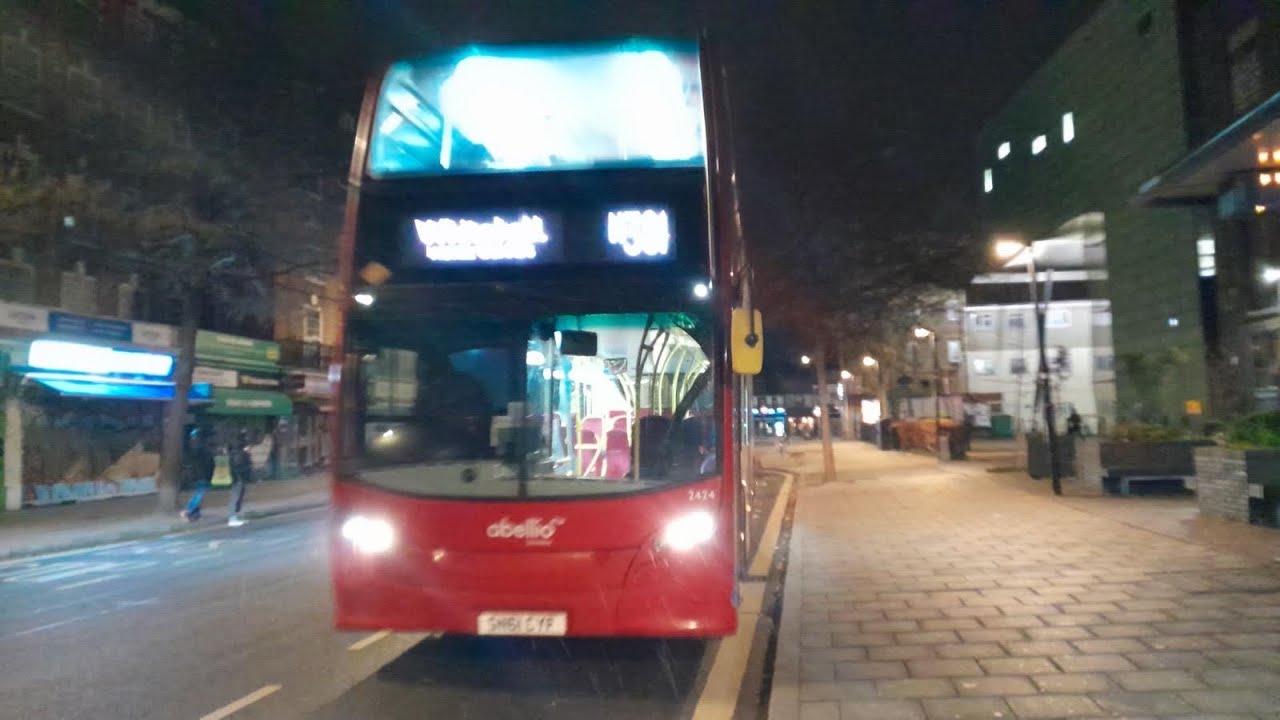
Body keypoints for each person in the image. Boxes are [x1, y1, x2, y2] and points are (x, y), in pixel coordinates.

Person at [180, 428, 216, 522]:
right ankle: (188, 510)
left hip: (198, 475)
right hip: (201, 475)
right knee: (199, 494)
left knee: (199, 494)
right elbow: (209, 464)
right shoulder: (203, 450)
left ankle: (195, 514)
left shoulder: (193, 450)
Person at [226, 429, 253, 527]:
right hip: (238, 478)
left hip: (238, 477)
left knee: (238, 496)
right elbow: (241, 466)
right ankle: (232, 518)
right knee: (235, 496)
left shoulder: (234, 453)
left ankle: (235, 516)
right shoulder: (239, 454)